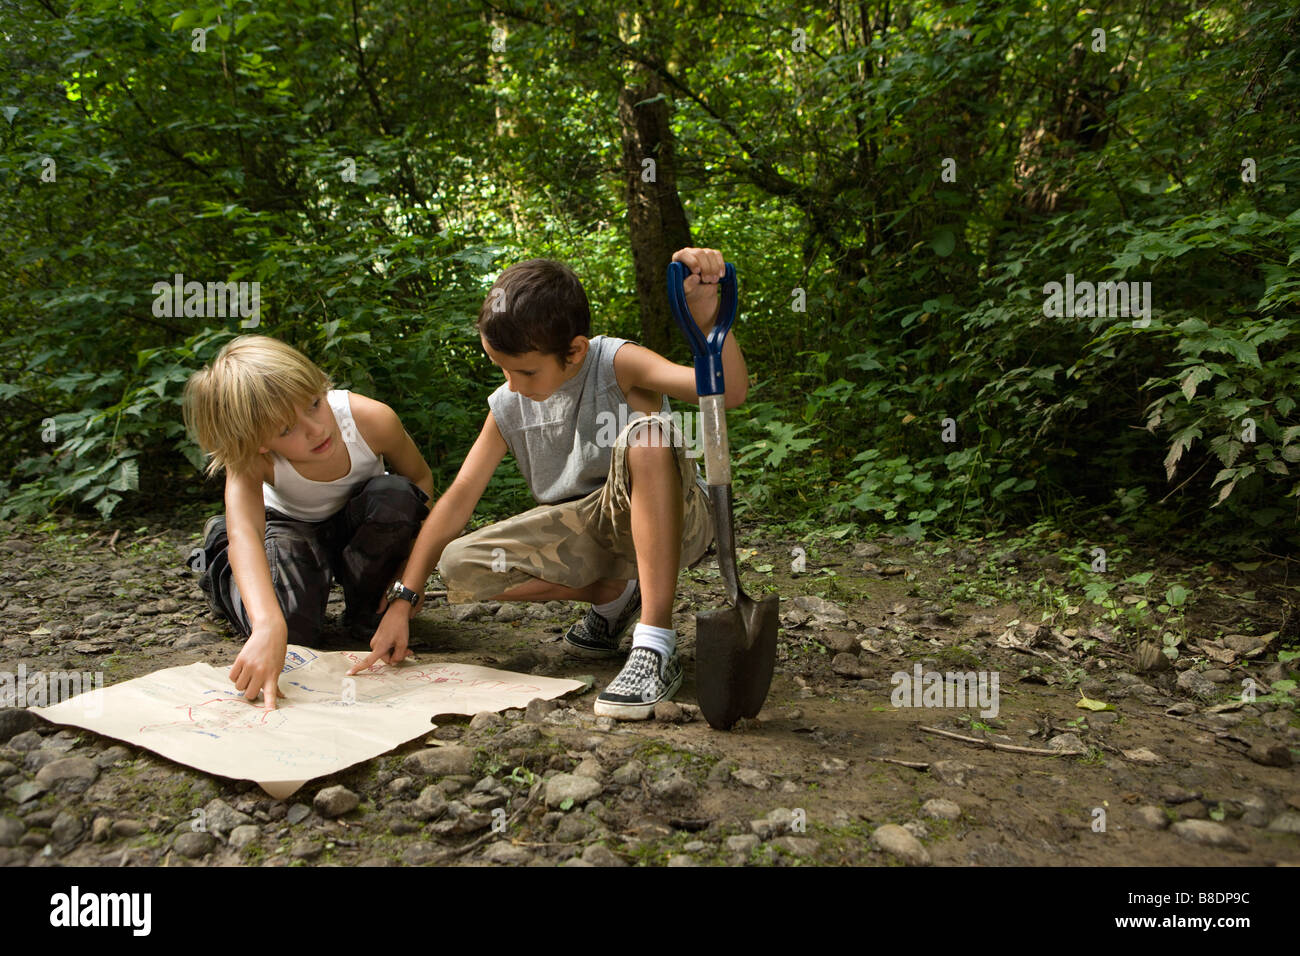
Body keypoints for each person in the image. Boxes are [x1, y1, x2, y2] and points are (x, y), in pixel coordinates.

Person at [348, 247, 750, 720]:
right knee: (459, 564)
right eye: (501, 368)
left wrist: (707, 315)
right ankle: (615, 594)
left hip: (678, 518)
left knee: (647, 436)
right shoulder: (509, 406)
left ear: (574, 350)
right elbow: (457, 501)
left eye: (525, 370)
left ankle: (654, 643)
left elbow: (726, 390)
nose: (513, 385)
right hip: (592, 532)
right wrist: (403, 597)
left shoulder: (617, 363)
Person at [182, 335, 434, 710]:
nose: (315, 428)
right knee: (292, 633)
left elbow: (421, 485)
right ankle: (219, 562)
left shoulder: (371, 419)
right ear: (258, 441)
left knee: (394, 495)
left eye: (314, 404)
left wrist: (403, 587)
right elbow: (246, 535)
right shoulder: (251, 459)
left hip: (357, 527)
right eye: (286, 429)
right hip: (290, 529)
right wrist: (267, 625)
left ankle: (367, 609)